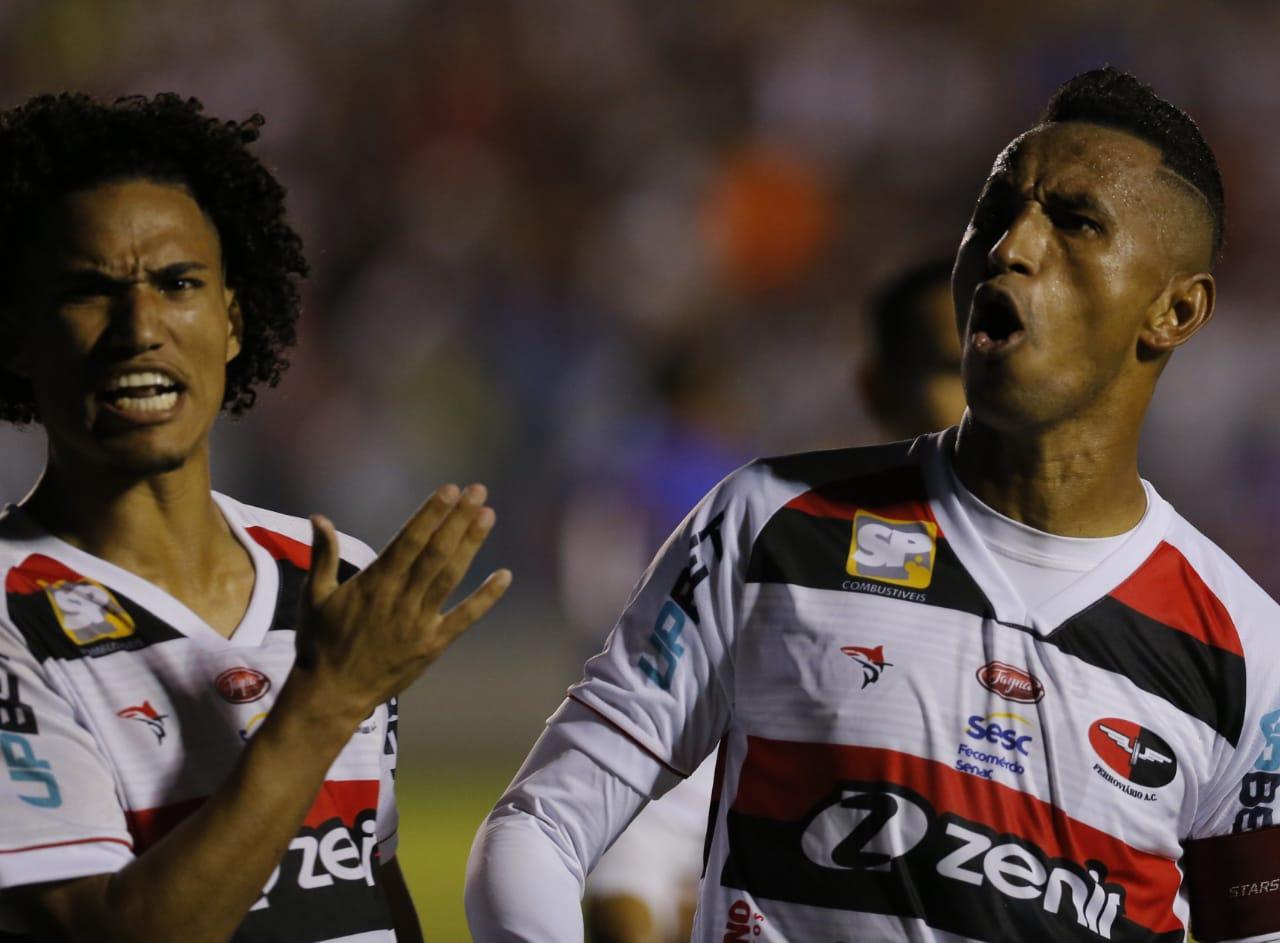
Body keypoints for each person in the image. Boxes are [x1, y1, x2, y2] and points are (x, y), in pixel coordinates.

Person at [465, 67, 1280, 942]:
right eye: (997, 210)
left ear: (1176, 309)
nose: (1011, 245)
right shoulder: (772, 524)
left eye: (1075, 221)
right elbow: (539, 827)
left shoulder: (1247, 654)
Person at [0, 93, 510, 942]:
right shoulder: (11, 616)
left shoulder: (330, 575)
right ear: (17, 335)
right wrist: (325, 700)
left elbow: (366, 877)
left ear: (233, 321)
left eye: (178, 284)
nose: (139, 328)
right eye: (89, 290)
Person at [582, 259, 965, 943]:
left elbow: (594, 563)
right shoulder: (744, 485)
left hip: (685, 673)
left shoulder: (667, 469)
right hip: (717, 687)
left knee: (635, 866)